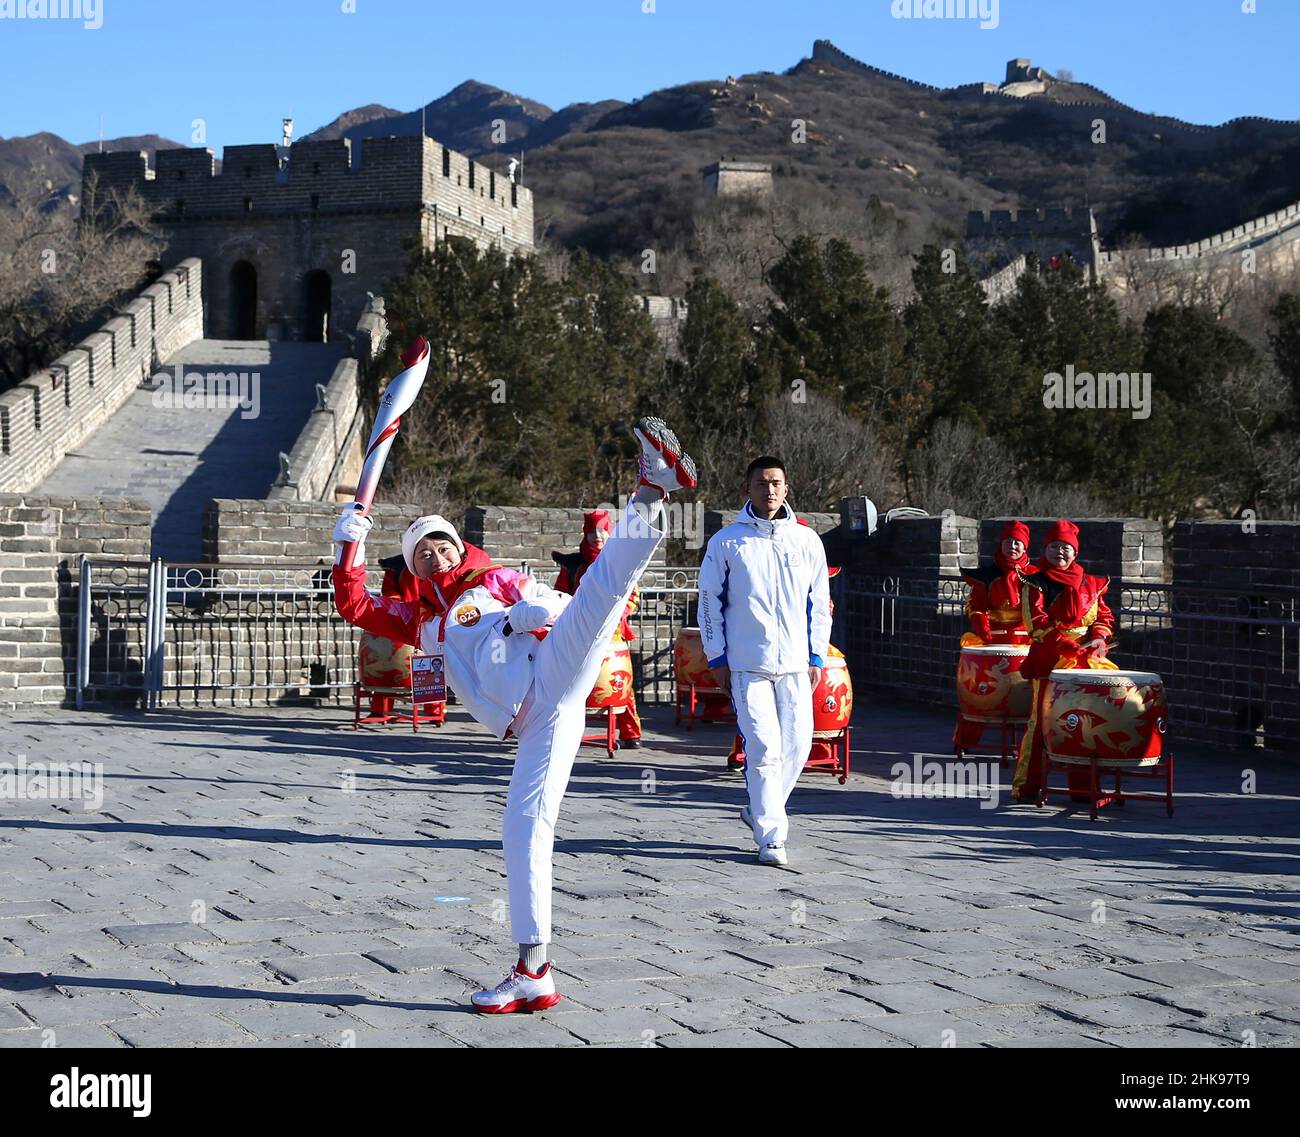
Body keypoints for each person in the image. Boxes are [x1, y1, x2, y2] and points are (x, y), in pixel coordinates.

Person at [331, 417, 696, 1013]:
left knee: (599, 593)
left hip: (551, 667)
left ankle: (651, 490)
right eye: (421, 549)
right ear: (412, 567)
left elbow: (551, 599)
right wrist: (348, 541)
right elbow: (353, 603)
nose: (435, 550)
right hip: (540, 720)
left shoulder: (491, 577)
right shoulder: (424, 624)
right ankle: (533, 969)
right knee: (523, 829)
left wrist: (526, 615)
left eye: (442, 541)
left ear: (459, 545)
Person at [697, 456, 831, 867]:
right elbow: (708, 603)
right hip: (746, 662)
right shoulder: (727, 542)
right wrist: (717, 656)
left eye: (776, 483)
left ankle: (759, 810)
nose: (769, 490)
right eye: (760, 483)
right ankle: (772, 837)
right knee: (763, 747)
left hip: (795, 663)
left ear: (787, 488)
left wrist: (816, 655)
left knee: (797, 745)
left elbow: (819, 604)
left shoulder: (807, 541)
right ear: (747, 488)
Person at [1011, 520, 1118, 803]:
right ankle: (1027, 786)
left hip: (1085, 664)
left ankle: (1084, 789)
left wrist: (1098, 639)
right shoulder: (1034, 580)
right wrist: (1066, 645)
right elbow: (1036, 622)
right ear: (1045, 549)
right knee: (1040, 723)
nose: (1060, 552)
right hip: (1050, 660)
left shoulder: (1091, 583)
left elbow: (1103, 617)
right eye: (1055, 546)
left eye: (1066, 547)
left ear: (1075, 552)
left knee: (1083, 725)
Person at [552, 510, 643, 748]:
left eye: (602, 530)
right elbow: (560, 594)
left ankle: (630, 732)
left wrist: (616, 615)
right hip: (578, 630)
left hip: (612, 632)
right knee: (570, 681)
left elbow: (632, 594)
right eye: (592, 531)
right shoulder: (573, 564)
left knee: (619, 682)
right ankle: (566, 728)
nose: (597, 536)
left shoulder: (619, 562)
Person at [952, 520, 1035, 751]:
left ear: (1025, 547)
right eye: (1008, 542)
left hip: (1024, 641)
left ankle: (1031, 746)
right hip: (991, 640)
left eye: (1018, 543)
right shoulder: (987, 575)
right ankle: (965, 741)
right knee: (979, 694)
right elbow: (976, 605)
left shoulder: (1037, 577)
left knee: (1031, 698)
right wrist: (982, 626)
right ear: (1001, 545)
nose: (1013, 547)